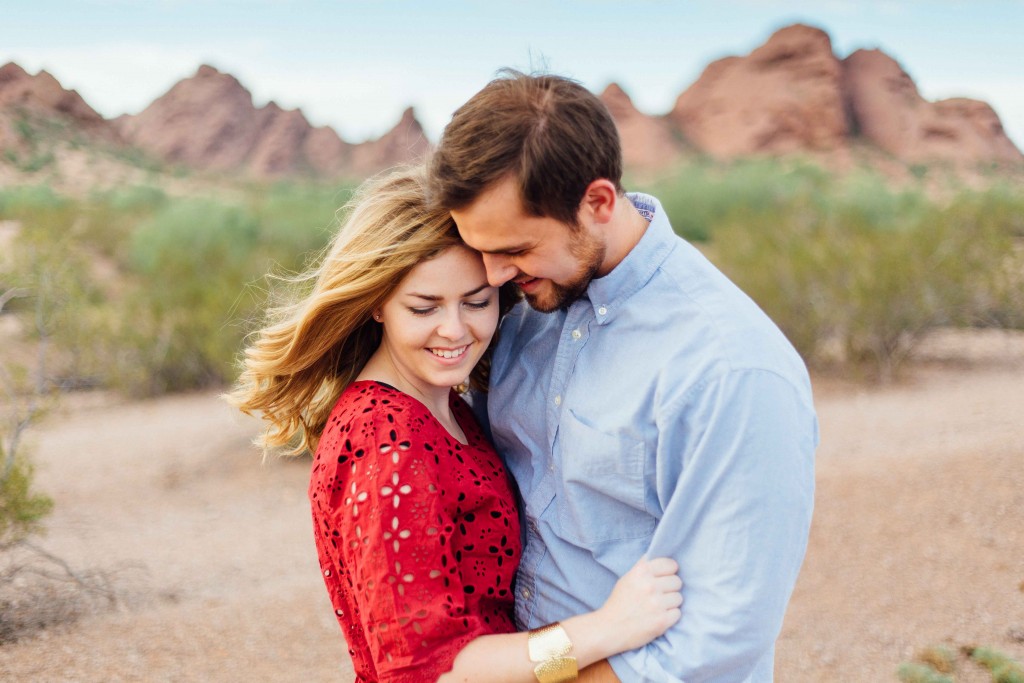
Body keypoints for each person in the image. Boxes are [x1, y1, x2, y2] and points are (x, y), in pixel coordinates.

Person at [428, 71, 818, 682]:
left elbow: (715, 644)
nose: (494, 275)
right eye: (481, 249)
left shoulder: (732, 370)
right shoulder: (520, 306)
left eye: (516, 249)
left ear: (598, 203)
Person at [227, 167, 683, 683]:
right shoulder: (387, 441)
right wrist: (605, 630)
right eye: (424, 308)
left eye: (476, 302)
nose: (454, 330)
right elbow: (432, 671)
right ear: (377, 304)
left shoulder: (447, 405)